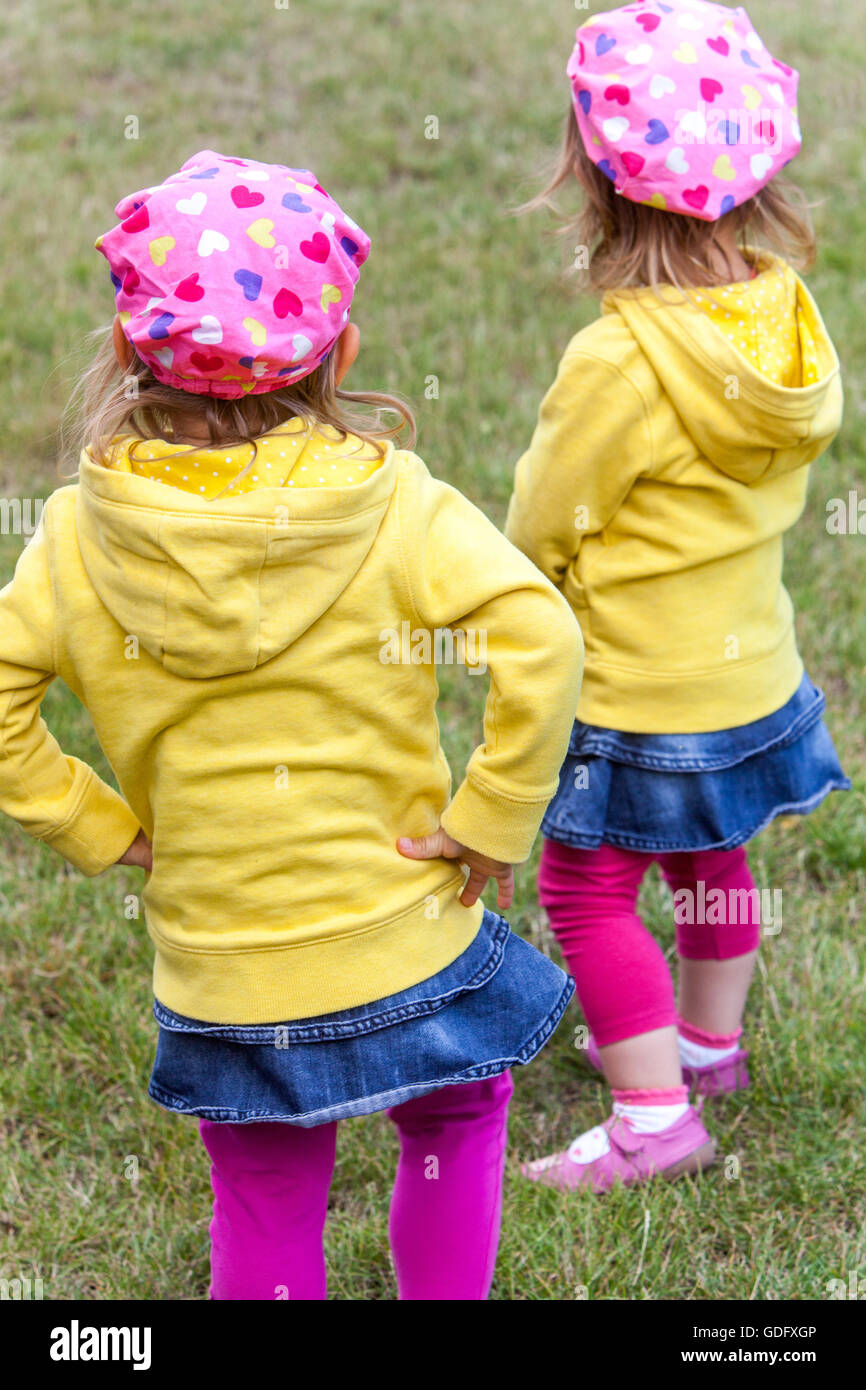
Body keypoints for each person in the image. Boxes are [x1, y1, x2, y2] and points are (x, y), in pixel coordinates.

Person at [0, 150, 583, 1297]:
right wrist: (492, 815)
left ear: (126, 351)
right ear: (343, 351)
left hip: (225, 970)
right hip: (408, 931)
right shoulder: (395, 501)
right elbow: (542, 635)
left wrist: (91, 822)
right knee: (453, 1118)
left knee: (264, 1187)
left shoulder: (73, 534)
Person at [506, 0, 848, 1192]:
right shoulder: (787, 319)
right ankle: (705, 1046)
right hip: (752, 673)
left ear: (593, 181)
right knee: (712, 854)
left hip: (636, 692)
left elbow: (547, 515)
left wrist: (518, 597)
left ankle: (652, 1118)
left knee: (585, 884)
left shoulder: (620, 359)